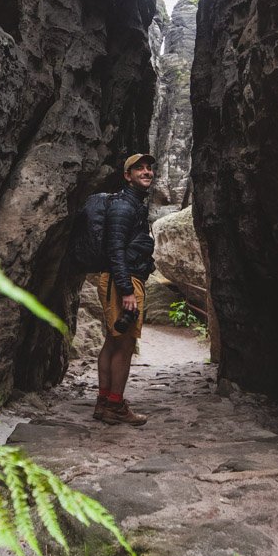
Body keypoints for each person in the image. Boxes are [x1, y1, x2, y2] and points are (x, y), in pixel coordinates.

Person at [94, 153, 156, 425]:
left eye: (148, 167)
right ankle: (115, 406)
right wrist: (126, 289)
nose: (146, 172)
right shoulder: (123, 207)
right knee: (125, 343)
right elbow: (115, 249)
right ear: (127, 175)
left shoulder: (131, 203)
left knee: (113, 339)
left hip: (121, 278)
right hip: (124, 280)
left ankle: (104, 401)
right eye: (138, 168)